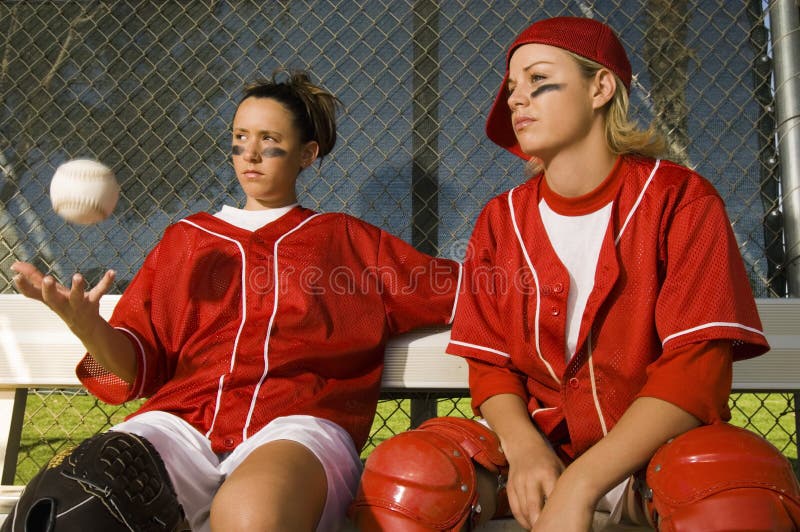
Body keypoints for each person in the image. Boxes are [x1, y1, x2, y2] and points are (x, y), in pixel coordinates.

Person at [349, 16, 800, 531]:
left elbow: (695, 370)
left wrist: (581, 484)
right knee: (407, 481)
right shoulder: (501, 218)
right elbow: (491, 364)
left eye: (539, 80)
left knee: (731, 490)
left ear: (600, 88)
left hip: (652, 456)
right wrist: (524, 450)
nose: (516, 99)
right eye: (512, 87)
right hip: (535, 456)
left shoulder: (680, 199)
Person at [5, 70, 460, 532]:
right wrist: (87, 327)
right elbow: (134, 367)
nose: (251, 153)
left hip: (297, 426)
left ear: (307, 154)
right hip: (181, 423)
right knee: (68, 504)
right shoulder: (188, 240)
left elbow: (469, 290)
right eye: (241, 137)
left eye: (270, 139)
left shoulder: (347, 241)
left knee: (251, 517)